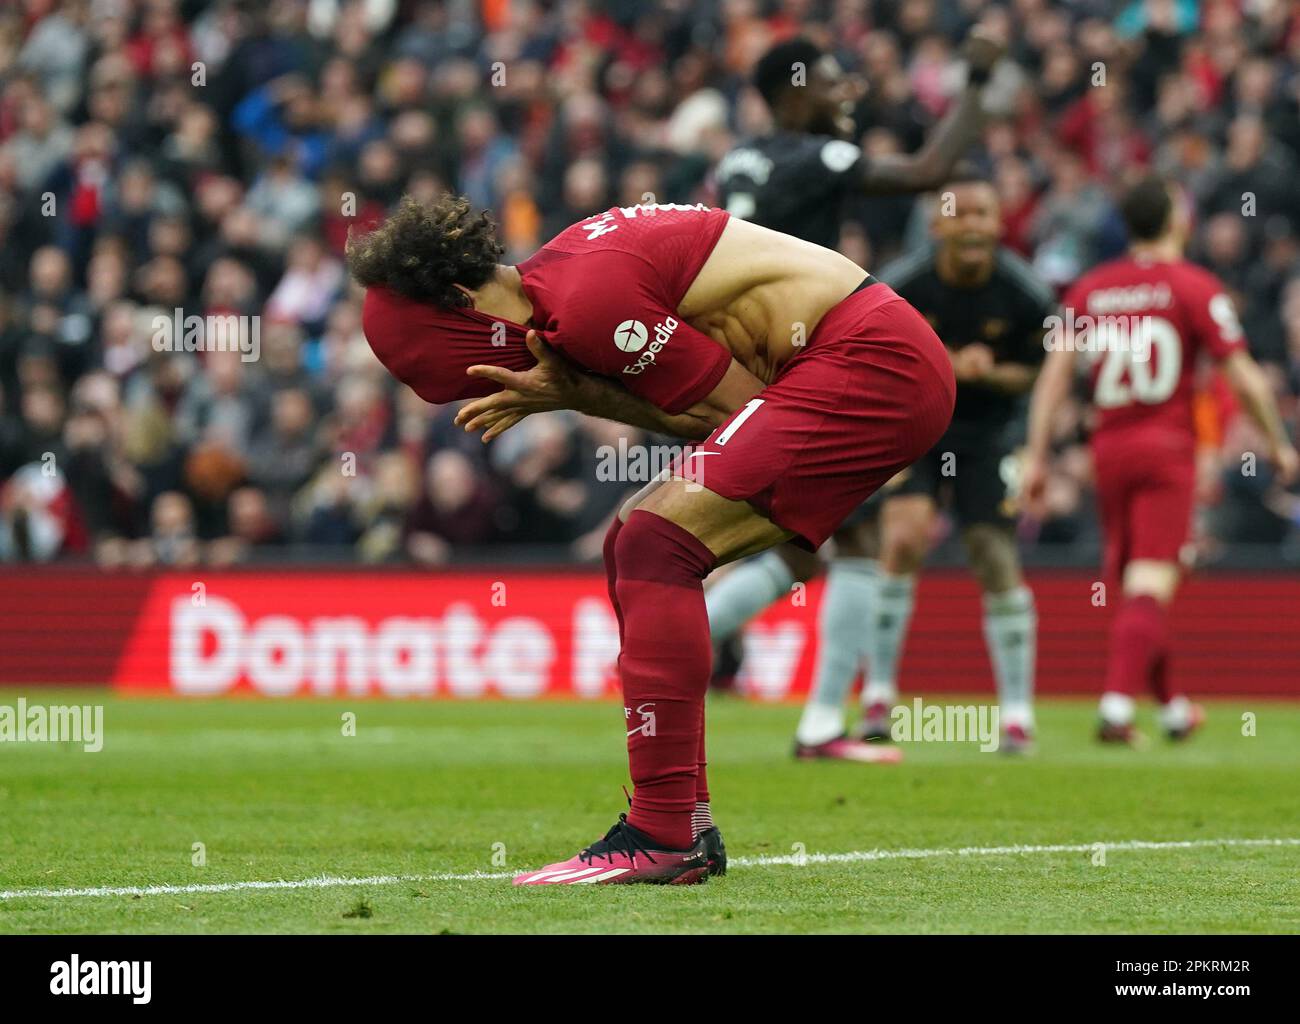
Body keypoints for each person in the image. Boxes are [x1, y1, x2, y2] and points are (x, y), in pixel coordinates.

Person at [351, 195, 955, 884]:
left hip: (871, 360)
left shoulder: (585, 305)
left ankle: (664, 832)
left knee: (656, 544)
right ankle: (684, 824)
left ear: (462, 298)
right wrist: (581, 390)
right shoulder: (567, 274)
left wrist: (581, 395)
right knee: (630, 543)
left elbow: (734, 409)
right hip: (860, 354)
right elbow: (737, 408)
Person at [706, 31, 1004, 762]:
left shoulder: (736, 161)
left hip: (742, 364)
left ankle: (680, 639)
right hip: (802, 362)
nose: (842, 94)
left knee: (805, 548)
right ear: (789, 92)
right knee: (860, 539)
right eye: (827, 81)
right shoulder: (816, 157)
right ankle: (815, 726)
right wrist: (977, 85)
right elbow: (928, 170)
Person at [1024, 175, 1299, 745]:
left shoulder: (1090, 289)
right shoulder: (1194, 286)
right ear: (1177, 219)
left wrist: (1037, 453)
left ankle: (1173, 708)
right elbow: (1241, 373)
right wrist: (1278, 442)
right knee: (1152, 581)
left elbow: (1053, 378)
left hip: (1107, 452)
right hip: (1164, 452)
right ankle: (1118, 708)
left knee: (1136, 585)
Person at [857, 169, 1054, 754]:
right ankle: (878, 696)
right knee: (903, 540)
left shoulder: (1026, 295)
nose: (973, 226)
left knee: (993, 554)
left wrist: (988, 371)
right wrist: (940, 360)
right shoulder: (902, 286)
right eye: (960, 214)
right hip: (915, 427)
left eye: (984, 214)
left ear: (999, 223)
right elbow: (874, 359)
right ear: (938, 224)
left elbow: (1038, 373)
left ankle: (1016, 714)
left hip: (986, 433)